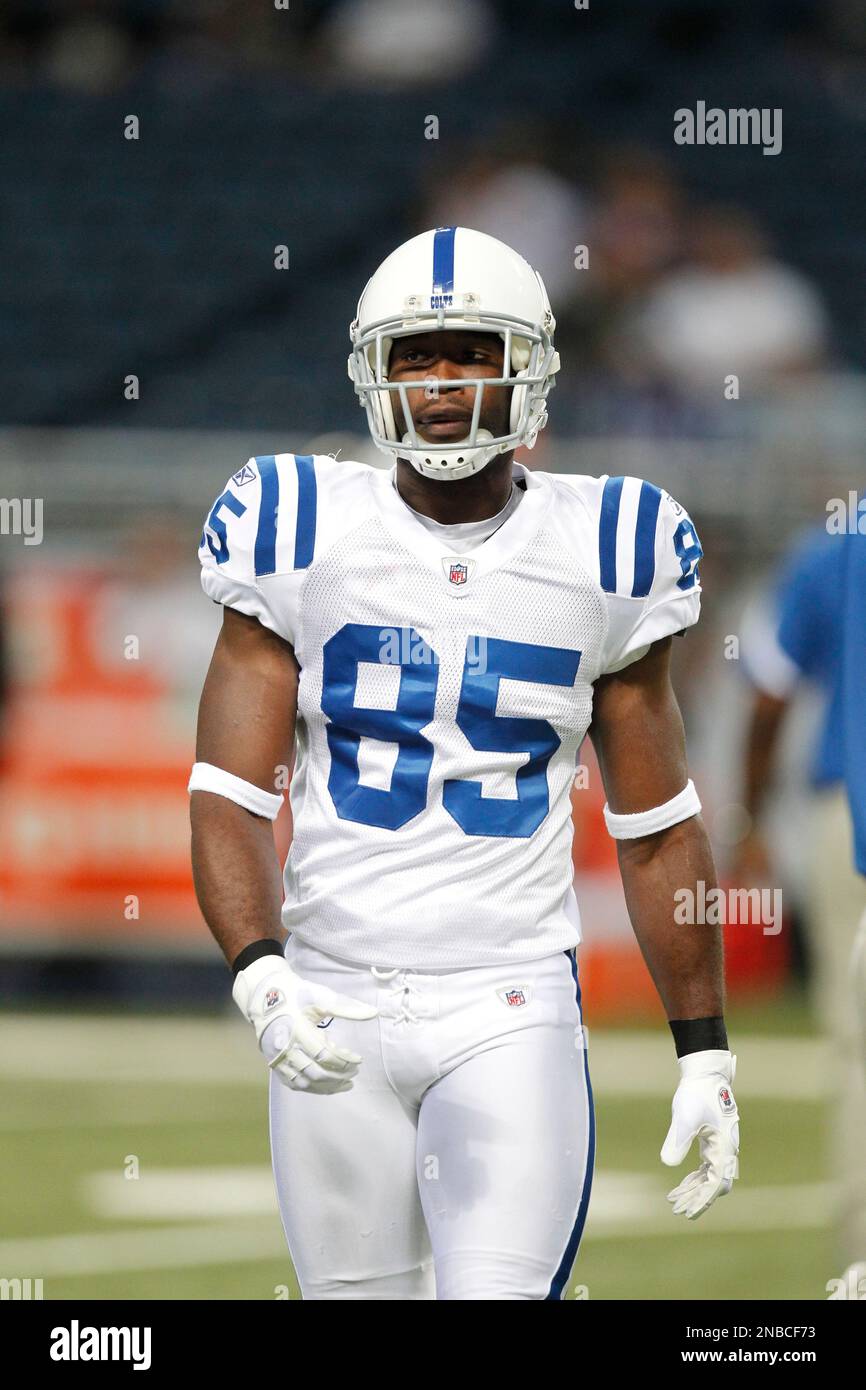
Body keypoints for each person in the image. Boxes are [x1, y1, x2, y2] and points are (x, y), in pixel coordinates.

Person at [188, 226, 739, 1301]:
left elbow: (656, 824)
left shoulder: (608, 545)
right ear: (371, 371)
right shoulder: (297, 526)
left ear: (526, 366)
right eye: (414, 355)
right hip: (331, 1005)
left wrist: (704, 1049)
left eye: (469, 351)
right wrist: (260, 972)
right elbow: (228, 796)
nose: (441, 382)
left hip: (507, 1004)